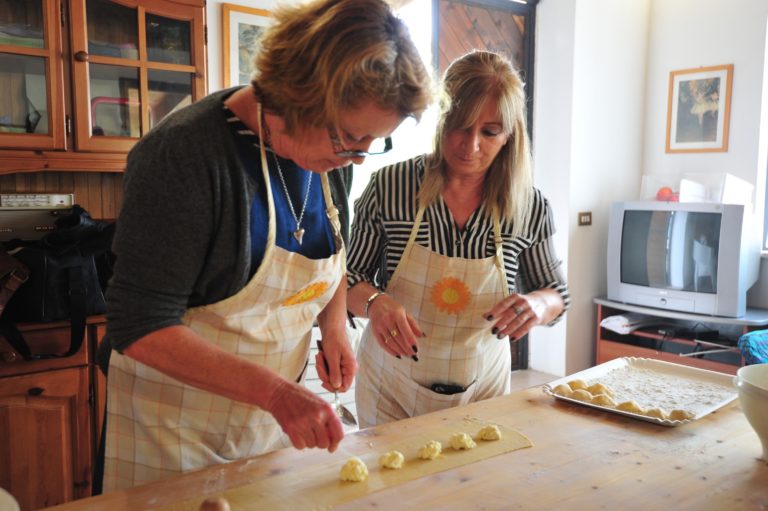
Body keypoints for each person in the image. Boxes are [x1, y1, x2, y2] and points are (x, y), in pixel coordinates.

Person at [96, 0, 433, 491]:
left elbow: (330, 255)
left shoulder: (329, 163)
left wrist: (333, 327)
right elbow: (139, 324)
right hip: (169, 430)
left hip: (266, 427)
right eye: (350, 138)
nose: (358, 159)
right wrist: (275, 393)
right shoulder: (185, 156)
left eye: (371, 143)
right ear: (298, 95)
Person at [347, 50, 569, 427]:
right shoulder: (391, 187)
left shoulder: (529, 206)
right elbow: (348, 279)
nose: (471, 145)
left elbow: (556, 293)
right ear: (441, 119)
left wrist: (538, 304)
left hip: (482, 388)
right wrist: (374, 303)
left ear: (509, 135)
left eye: (489, 132)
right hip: (391, 387)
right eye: (460, 126)